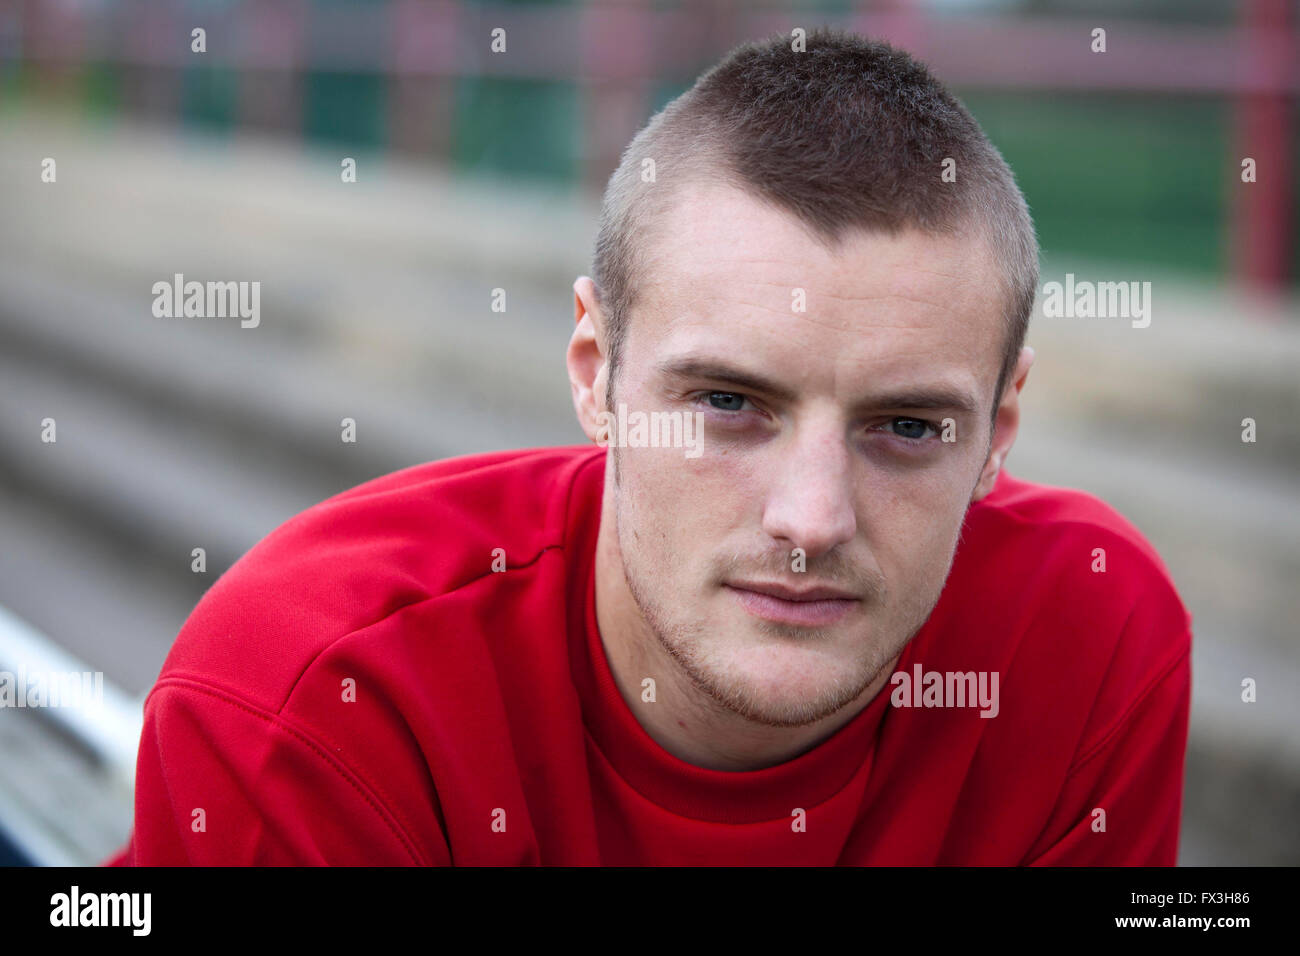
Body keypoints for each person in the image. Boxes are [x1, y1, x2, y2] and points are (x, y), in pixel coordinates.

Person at [107, 29, 1191, 866]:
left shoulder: (1089, 637)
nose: (811, 520)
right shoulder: (313, 699)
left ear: (999, 429)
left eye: (906, 427)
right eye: (728, 402)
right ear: (595, 374)